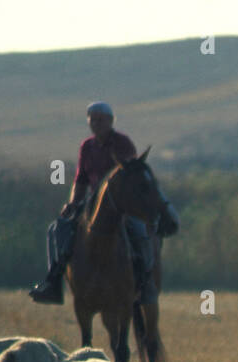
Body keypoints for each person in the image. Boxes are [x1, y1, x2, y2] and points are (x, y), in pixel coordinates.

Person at [29, 101, 178, 305]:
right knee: (57, 229)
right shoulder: (87, 146)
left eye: (101, 119)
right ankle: (53, 281)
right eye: (93, 120)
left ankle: (145, 282)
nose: (96, 123)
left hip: (123, 205)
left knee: (140, 233)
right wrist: (73, 203)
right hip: (93, 204)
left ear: (110, 121)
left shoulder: (122, 143)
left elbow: (133, 177)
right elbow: (80, 180)